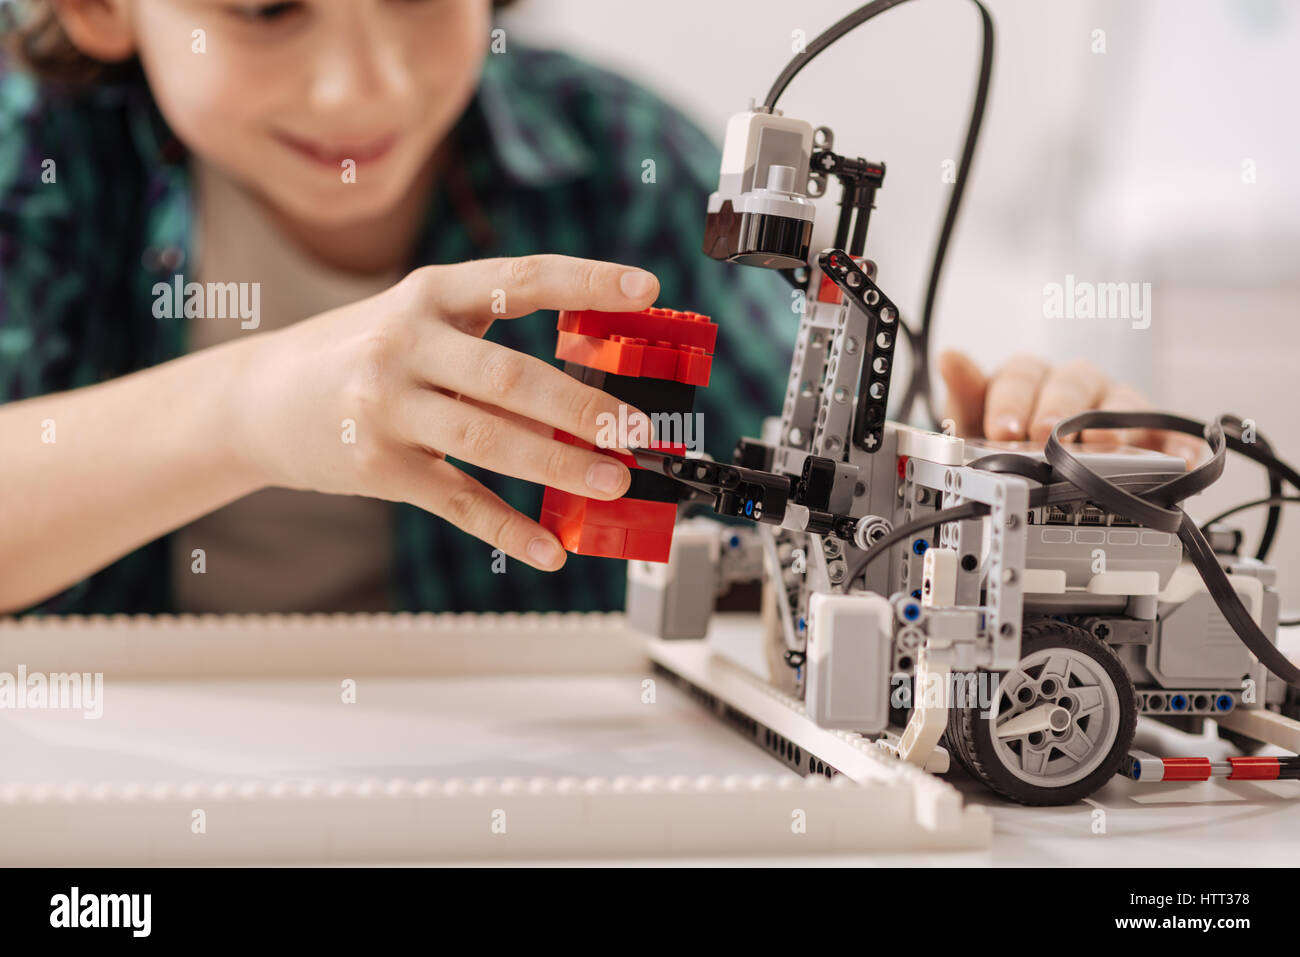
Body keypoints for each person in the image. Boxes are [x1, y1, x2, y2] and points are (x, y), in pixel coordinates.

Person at [0, 0, 1199, 617]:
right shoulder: (34, 178)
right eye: (266, 8)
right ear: (102, 9)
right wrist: (248, 408)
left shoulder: (612, 159)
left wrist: (1017, 476)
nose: (361, 81)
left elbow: (814, 478)